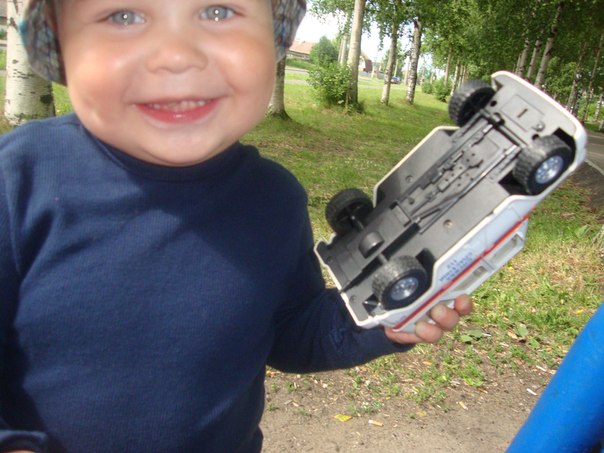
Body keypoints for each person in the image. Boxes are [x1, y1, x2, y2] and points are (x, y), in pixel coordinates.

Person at [0, 0, 472, 452]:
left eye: (218, 11)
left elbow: (290, 331)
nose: (176, 55)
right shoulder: (19, 182)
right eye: (123, 15)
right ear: (61, 41)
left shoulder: (274, 200)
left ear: (273, 36)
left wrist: (383, 314)